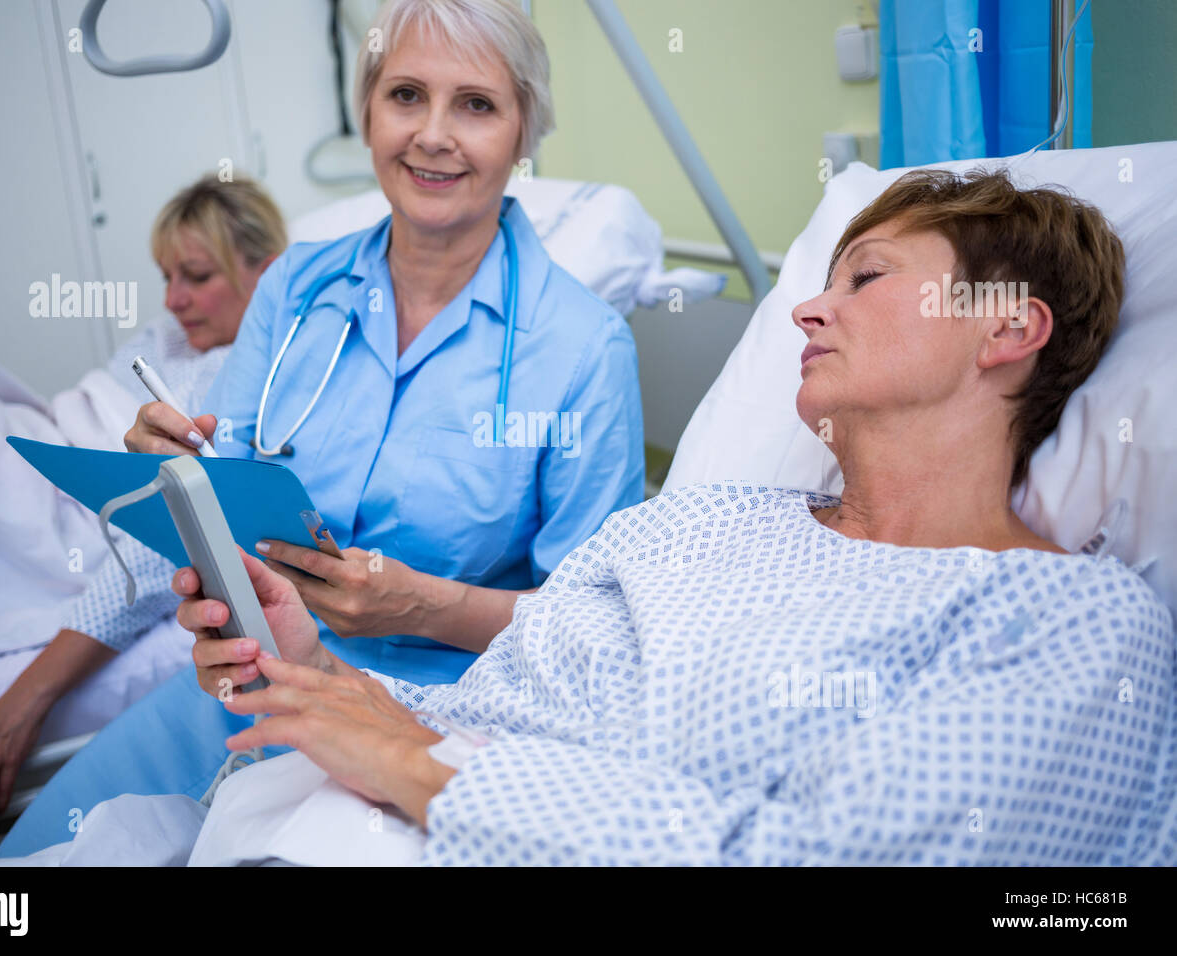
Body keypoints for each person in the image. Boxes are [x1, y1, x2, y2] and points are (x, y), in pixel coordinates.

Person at [160, 166, 1172, 864]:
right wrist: (312, 666)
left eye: (867, 279)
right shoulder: (688, 525)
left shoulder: (1074, 621)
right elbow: (485, 714)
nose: (805, 312)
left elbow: (829, 856)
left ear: (1007, 326)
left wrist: (424, 772)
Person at [0, 0, 644, 857]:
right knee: (25, 862)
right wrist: (177, 473)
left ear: (525, 131)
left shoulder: (581, 349)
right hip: (251, 673)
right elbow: (227, 484)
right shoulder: (297, 290)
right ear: (369, 109)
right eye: (406, 95)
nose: (434, 135)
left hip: (432, 714)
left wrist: (429, 607)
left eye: (477, 105)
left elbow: (590, 632)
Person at [0, 173, 287, 840]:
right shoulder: (164, 340)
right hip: (49, 445)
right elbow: (83, 415)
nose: (174, 300)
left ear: (267, 271)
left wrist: (24, 699)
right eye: (166, 276)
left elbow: (156, 533)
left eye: (195, 276)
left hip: (63, 512)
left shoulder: (245, 379)